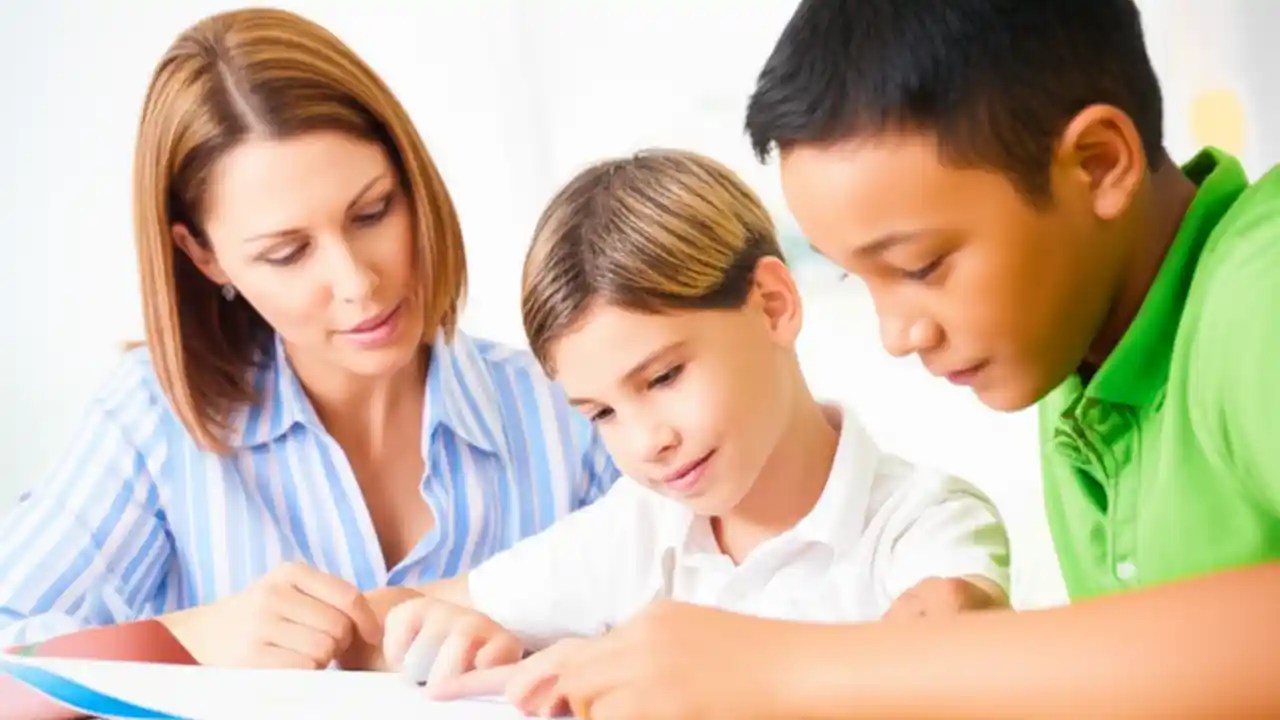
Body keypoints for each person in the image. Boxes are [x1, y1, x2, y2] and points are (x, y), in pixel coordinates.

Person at [519, 1, 1280, 717]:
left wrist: (784, 669)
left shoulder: (1260, 284)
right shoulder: (1076, 373)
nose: (897, 333)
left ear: (1097, 164)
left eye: (919, 266)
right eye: (858, 275)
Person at [0, 7, 618, 670]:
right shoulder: (153, 424)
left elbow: (694, 622)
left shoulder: (570, 411)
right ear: (204, 256)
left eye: (372, 212)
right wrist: (191, 642)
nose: (357, 283)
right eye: (287, 252)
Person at [379, 149, 1011, 717]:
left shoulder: (924, 523)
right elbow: (407, 611)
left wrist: (708, 663)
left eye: (663, 377)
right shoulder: (637, 528)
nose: (645, 441)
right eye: (602, 413)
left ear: (772, 304)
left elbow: (945, 649)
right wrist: (438, 633)